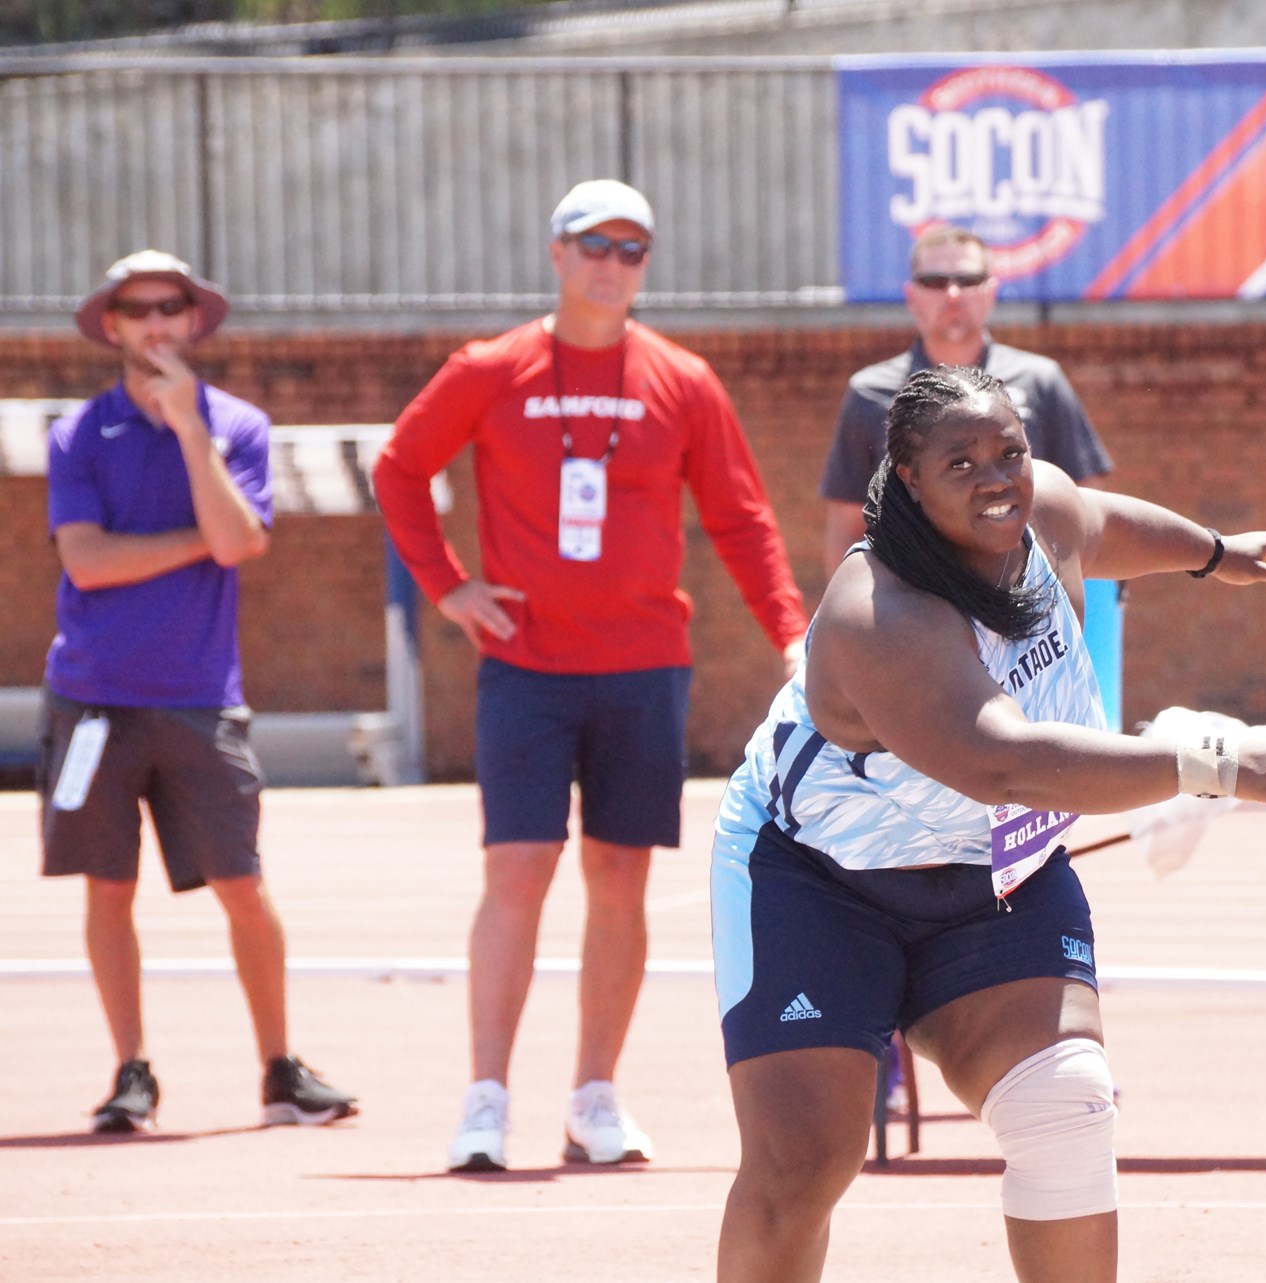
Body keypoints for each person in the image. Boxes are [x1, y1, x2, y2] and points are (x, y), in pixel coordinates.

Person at [710, 366, 1266, 1281]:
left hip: (996, 881)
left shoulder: (1042, 513)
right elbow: (1003, 761)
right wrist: (1216, 762)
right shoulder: (879, 613)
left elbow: (1105, 523)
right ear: (908, 478)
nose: (995, 478)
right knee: (802, 1163)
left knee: (1065, 1106)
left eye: (1010, 453)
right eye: (959, 463)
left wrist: (1216, 551)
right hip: (817, 884)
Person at [371, 179, 809, 1173]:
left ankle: (594, 1094)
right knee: (518, 867)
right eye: (594, 244)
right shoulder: (491, 368)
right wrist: (447, 585)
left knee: (621, 877)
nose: (612, 263)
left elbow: (741, 517)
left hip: (642, 666)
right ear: (557, 253)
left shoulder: (682, 380)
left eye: (631, 248)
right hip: (526, 667)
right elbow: (400, 468)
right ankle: (485, 1098)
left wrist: (792, 633)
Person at [40, 249, 359, 1134]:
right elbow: (87, 561)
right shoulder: (77, 434)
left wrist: (188, 429)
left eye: (169, 306)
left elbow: (242, 541)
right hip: (93, 696)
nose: (154, 323)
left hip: (200, 698)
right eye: (137, 308)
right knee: (109, 887)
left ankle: (280, 1070)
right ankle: (131, 1072)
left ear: (192, 319)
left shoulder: (237, 425)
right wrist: (203, 541)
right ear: (112, 324)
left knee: (240, 881)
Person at [819, 226, 1113, 575]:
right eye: (934, 281)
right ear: (912, 295)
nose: (953, 294)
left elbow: (1085, 505)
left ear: (991, 291)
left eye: (969, 280)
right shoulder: (869, 392)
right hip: (913, 597)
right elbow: (847, 524)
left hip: (1025, 592)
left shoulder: (1041, 381)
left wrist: (1081, 599)